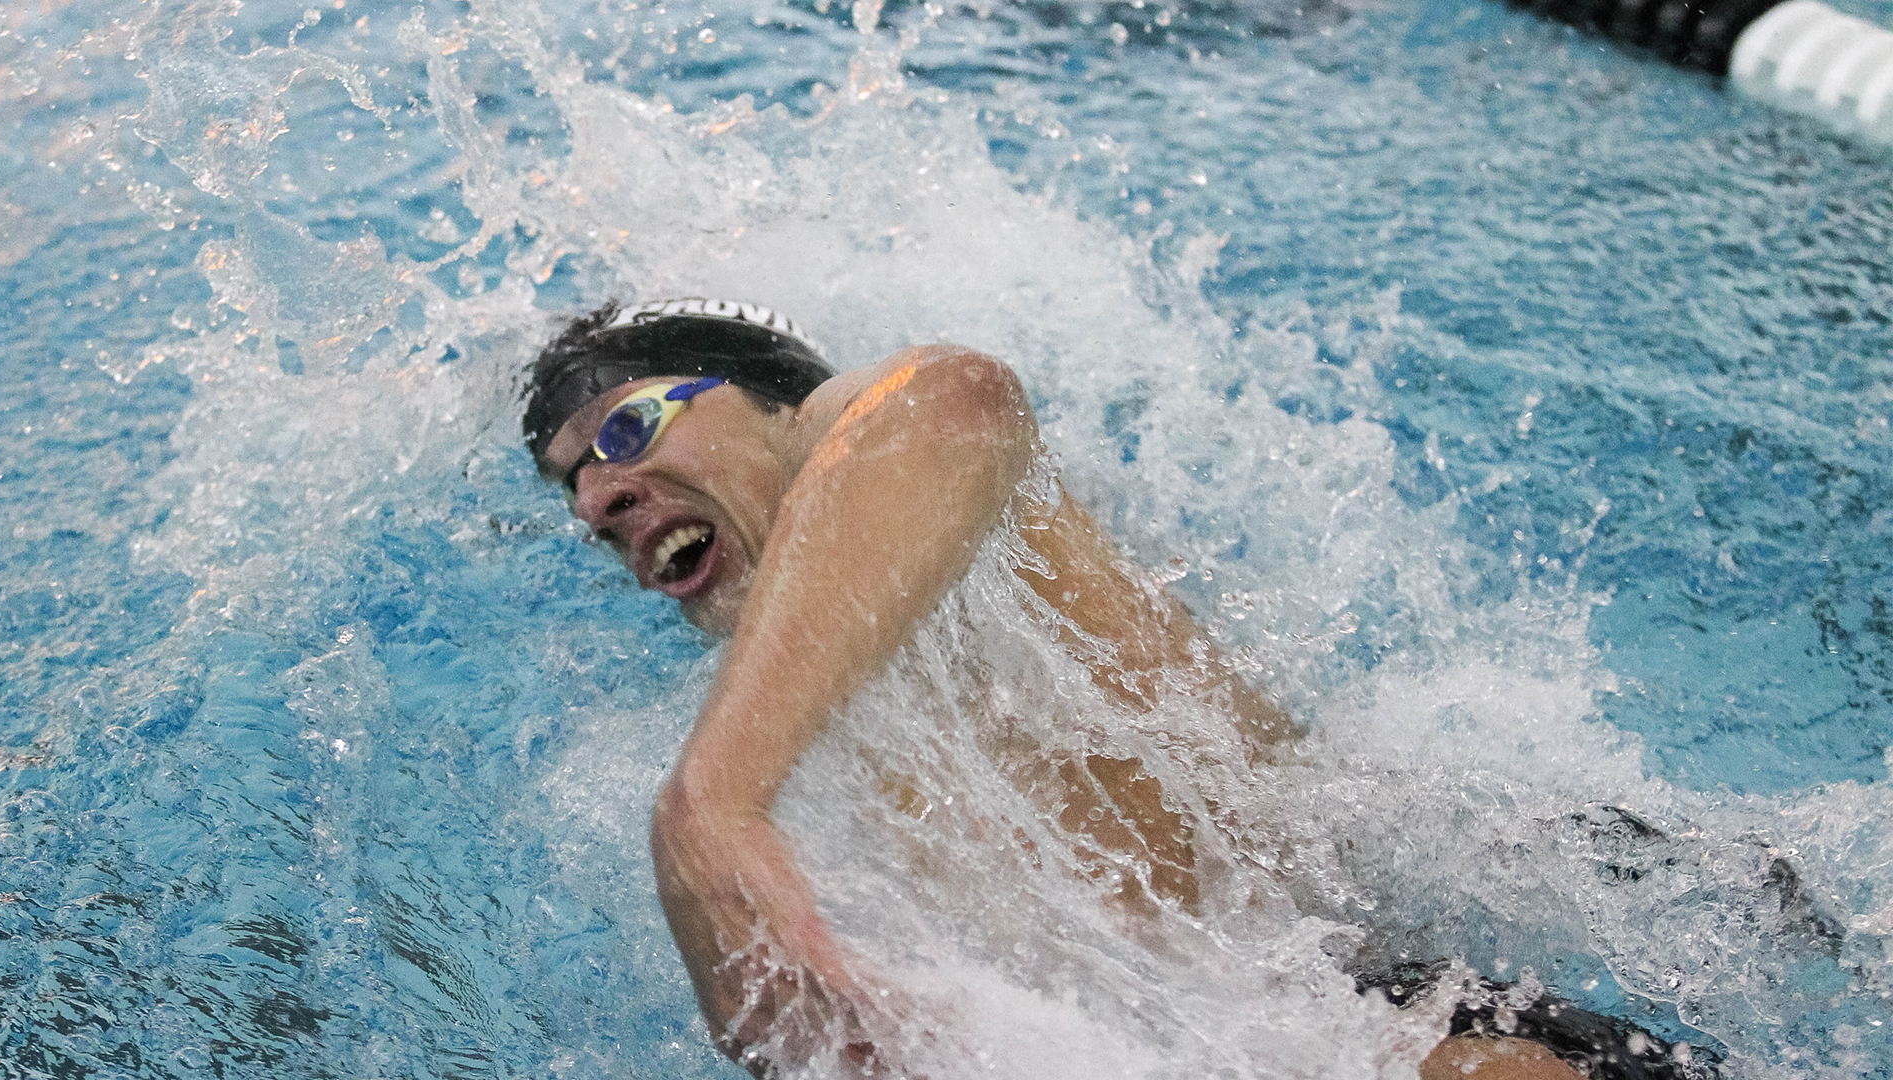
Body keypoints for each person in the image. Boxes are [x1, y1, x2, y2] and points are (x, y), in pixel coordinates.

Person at [521, 297, 1702, 1080]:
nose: (598, 501)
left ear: (777, 406)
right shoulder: (794, 724)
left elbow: (950, 399)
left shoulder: (892, 474)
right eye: (576, 493)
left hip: (1408, 1022)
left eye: (625, 433)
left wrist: (710, 805)